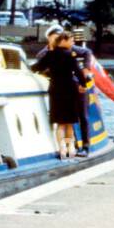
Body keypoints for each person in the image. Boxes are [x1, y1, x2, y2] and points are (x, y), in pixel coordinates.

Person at [30, 30, 84, 159]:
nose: (73, 42)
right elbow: (78, 72)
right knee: (70, 122)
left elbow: (37, 67)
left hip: (56, 89)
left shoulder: (50, 55)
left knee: (60, 123)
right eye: (71, 40)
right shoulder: (70, 55)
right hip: (70, 89)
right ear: (63, 41)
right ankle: (71, 148)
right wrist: (84, 84)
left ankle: (61, 149)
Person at [68, 27, 95, 157]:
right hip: (65, 87)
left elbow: (87, 53)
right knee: (68, 117)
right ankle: (72, 145)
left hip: (79, 86)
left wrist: (86, 71)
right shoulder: (54, 51)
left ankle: (85, 146)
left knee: (83, 116)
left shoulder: (79, 52)